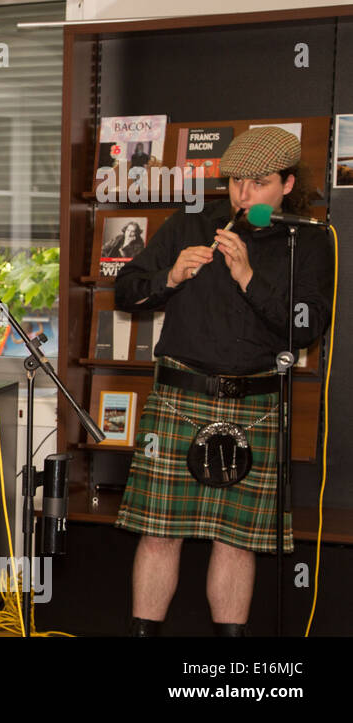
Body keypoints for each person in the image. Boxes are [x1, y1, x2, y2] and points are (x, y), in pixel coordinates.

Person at [113, 126, 333, 636]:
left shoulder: (308, 240)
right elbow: (126, 291)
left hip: (254, 403)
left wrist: (248, 277)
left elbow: (305, 328)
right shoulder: (194, 221)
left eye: (258, 183)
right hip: (180, 394)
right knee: (158, 532)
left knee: (237, 541)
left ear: (286, 183)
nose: (243, 195)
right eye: (236, 182)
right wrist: (169, 279)